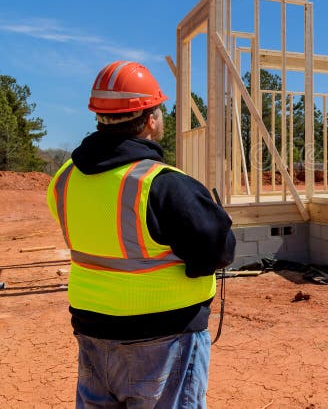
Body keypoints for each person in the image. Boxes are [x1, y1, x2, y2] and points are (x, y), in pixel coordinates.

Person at [47, 61, 236, 408]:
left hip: (92, 334)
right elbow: (217, 252)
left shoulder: (64, 178)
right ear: (150, 119)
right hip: (163, 339)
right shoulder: (163, 185)